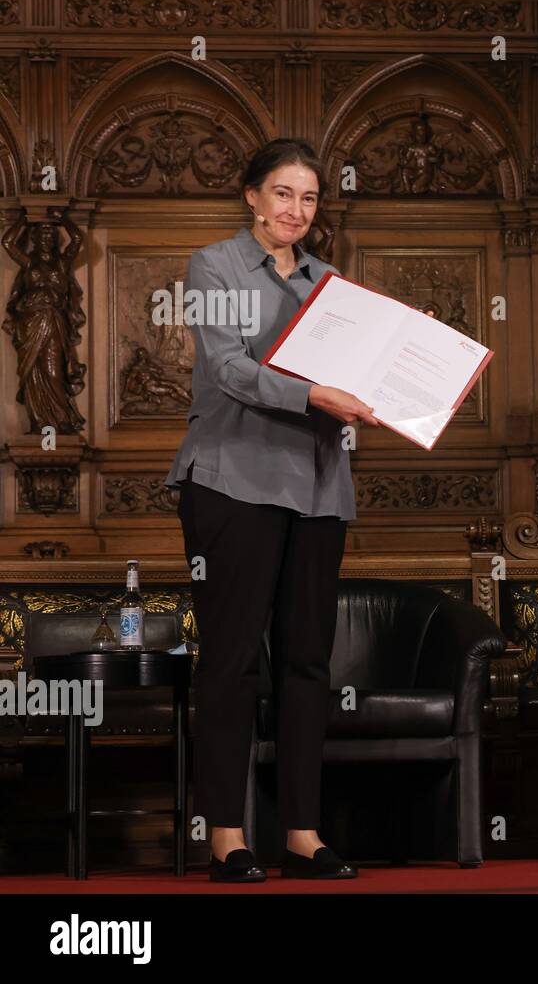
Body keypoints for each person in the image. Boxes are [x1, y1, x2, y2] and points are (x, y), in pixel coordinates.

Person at [165, 138, 380, 882]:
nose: (296, 209)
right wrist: (316, 394)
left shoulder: (333, 284)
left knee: (307, 663)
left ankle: (301, 831)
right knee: (230, 662)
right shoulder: (213, 266)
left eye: (310, 198)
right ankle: (227, 834)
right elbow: (227, 369)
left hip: (320, 485)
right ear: (252, 196)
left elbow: (359, 370)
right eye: (283, 193)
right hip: (233, 479)